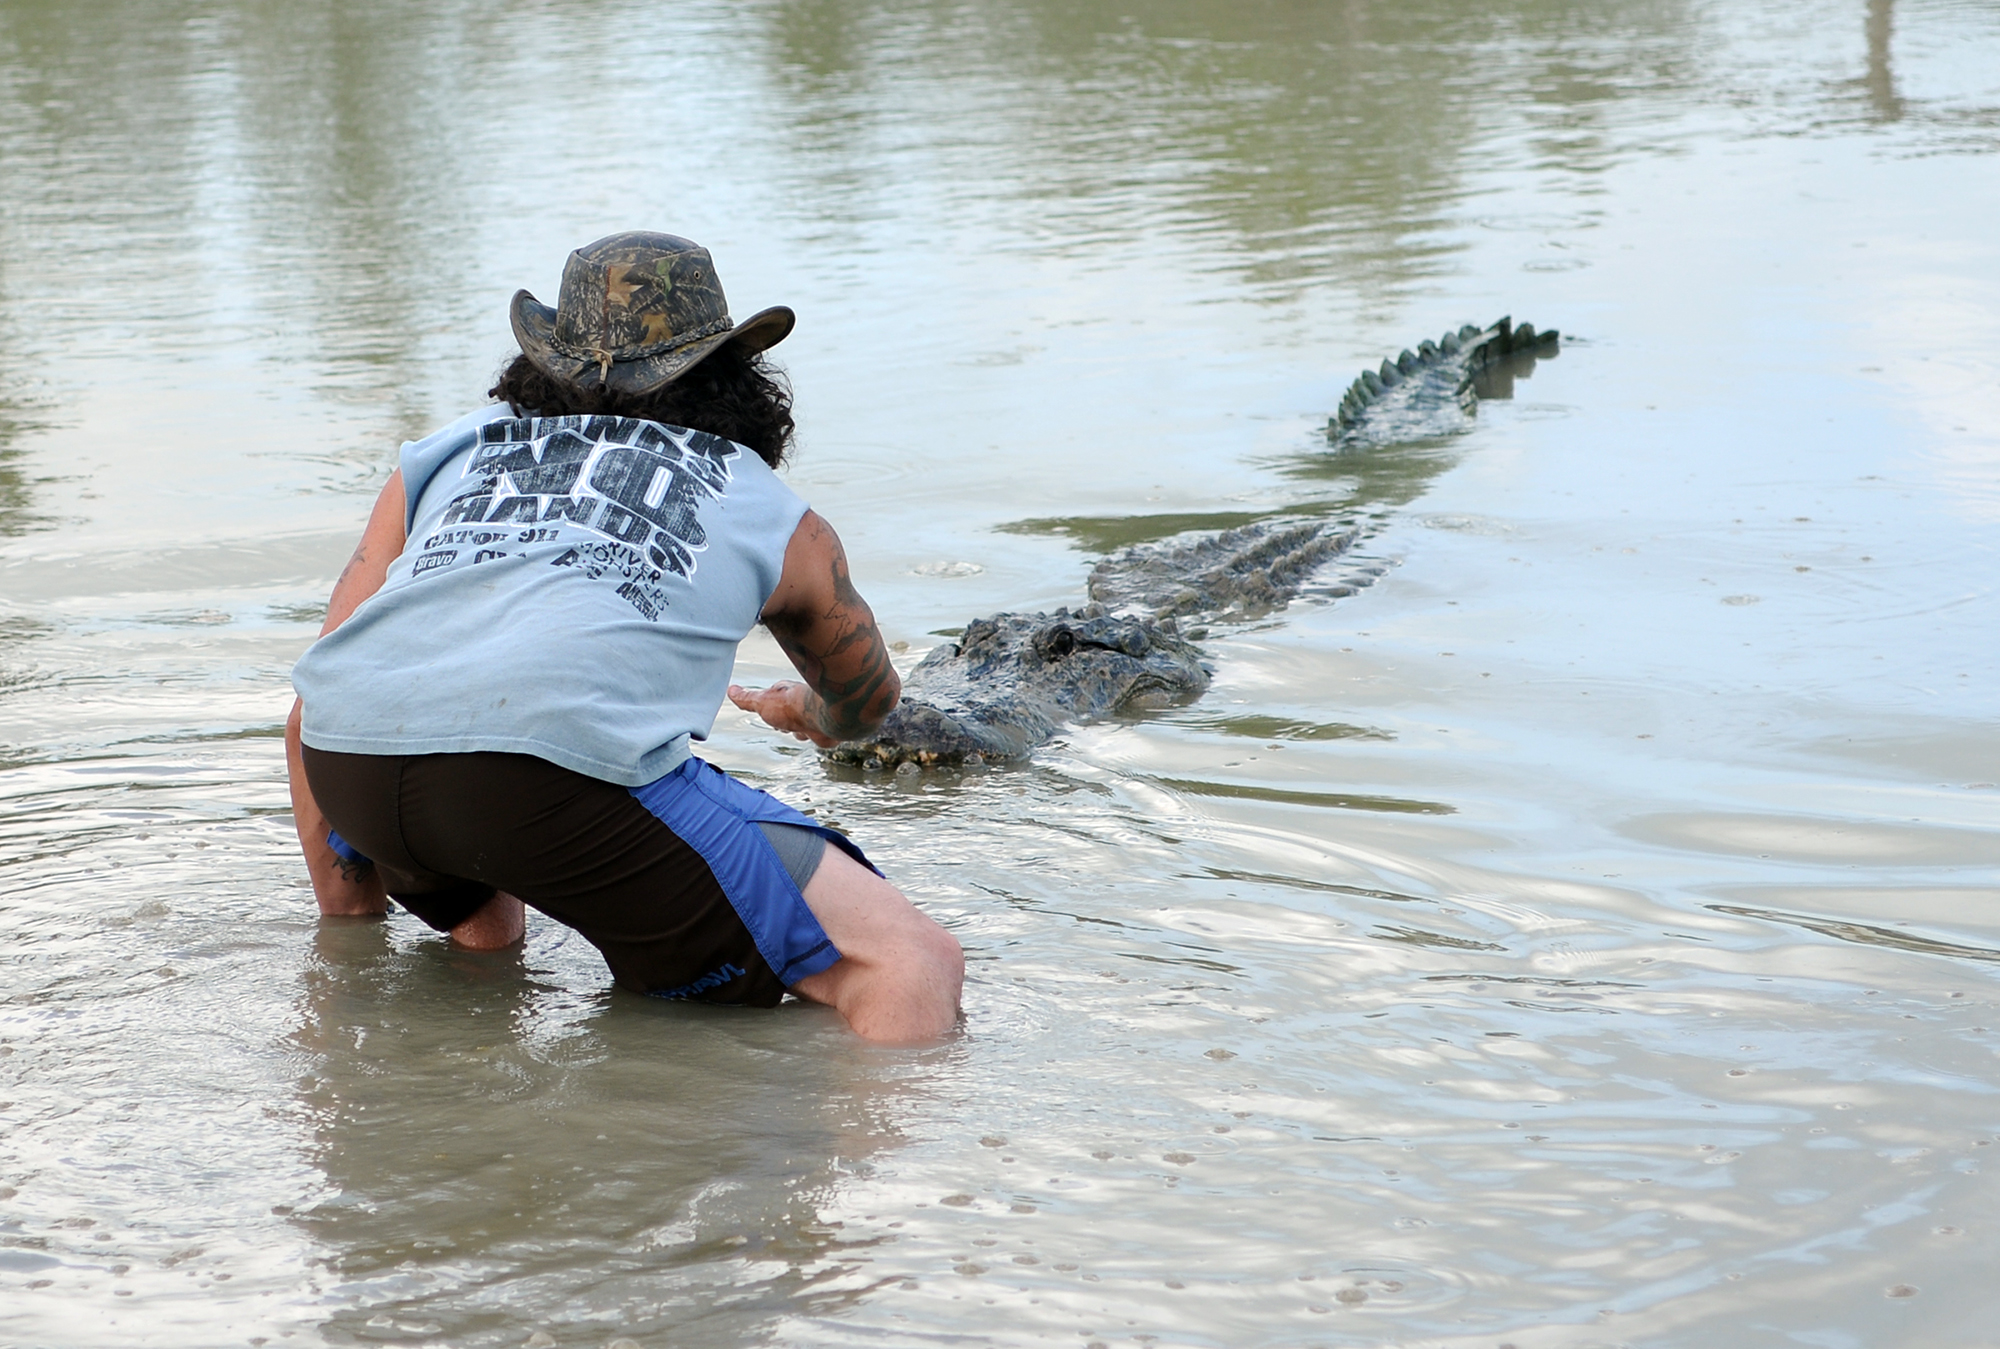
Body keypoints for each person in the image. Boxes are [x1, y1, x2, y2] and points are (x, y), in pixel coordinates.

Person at [284, 231, 963, 1042]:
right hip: (546, 785)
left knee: (479, 872)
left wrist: (348, 938)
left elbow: (318, 692)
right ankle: (886, 1134)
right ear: (732, 376)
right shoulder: (772, 510)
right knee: (911, 961)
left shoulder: (446, 453)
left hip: (355, 767)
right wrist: (809, 711)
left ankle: (438, 1040)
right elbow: (868, 701)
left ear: (546, 365)